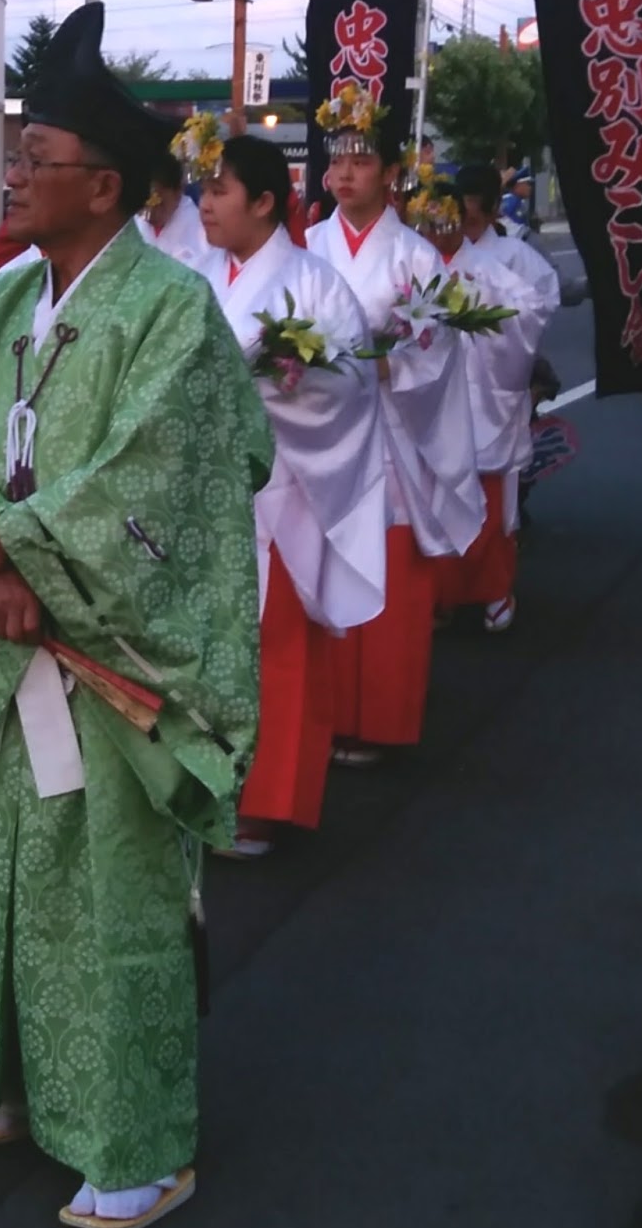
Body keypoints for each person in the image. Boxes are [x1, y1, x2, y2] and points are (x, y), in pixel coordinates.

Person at [0, 2, 273, 1228]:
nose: (13, 178)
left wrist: (26, 550)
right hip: (4, 633)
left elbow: (182, 471)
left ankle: (139, 1141)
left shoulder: (173, 312)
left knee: (111, 895)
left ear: (102, 185)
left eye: (31, 160)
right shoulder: (2, 301)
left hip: (108, 653)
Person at [198, 134, 385, 858]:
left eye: (219, 191)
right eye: (203, 191)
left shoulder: (312, 284)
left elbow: (350, 385)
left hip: (279, 490)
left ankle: (262, 801)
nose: (205, 205)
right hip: (200, 490)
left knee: (271, 646)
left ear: (265, 202)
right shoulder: (191, 275)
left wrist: (283, 376)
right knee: (202, 647)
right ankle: (202, 788)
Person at [305, 90, 482, 765]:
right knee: (321, 564)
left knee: (388, 566)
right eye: (337, 161)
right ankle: (324, 719)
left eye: (361, 160)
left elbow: (436, 344)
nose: (346, 173)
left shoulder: (413, 255)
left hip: (388, 428)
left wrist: (389, 366)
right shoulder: (309, 246)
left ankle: (381, 716)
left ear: (388, 173)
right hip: (321, 425)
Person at [414, 179, 552, 633]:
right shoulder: (412, 266)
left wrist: (480, 308)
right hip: (426, 405)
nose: (438, 231)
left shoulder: (489, 271)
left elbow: (529, 313)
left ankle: (491, 588)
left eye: (447, 220)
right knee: (429, 503)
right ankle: (440, 596)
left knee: (486, 503)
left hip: (479, 400)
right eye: (429, 221)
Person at [455, 162, 562, 312]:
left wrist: (491, 300)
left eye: (473, 221)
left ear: (495, 209)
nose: (466, 227)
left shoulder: (516, 252)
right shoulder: (441, 250)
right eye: (461, 218)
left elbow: (543, 300)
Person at [135, 148, 209, 267]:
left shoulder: (202, 230)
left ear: (178, 190)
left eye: (159, 204)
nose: (151, 213)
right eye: (144, 206)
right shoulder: (132, 225)